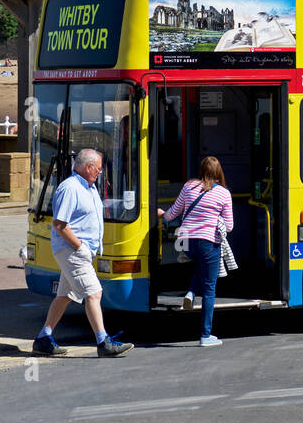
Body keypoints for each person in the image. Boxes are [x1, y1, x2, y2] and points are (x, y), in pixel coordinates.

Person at [31, 148, 133, 357]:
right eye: (98, 168)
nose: (101, 172)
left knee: (66, 296)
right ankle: (103, 342)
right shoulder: (70, 188)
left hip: (82, 251)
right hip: (73, 251)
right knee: (94, 293)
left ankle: (43, 338)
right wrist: (80, 247)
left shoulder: (90, 187)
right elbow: (60, 224)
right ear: (88, 167)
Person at [157, 155, 235, 347]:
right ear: (219, 172)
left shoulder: (188, 187)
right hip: (208, 242)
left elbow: (173, 213)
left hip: (187, 242)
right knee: (209, 289)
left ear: (201, 170)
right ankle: (206, 335)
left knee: (201, 263)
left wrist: (162, 214)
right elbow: (230, 226)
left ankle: (191, 293)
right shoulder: (224, 194)